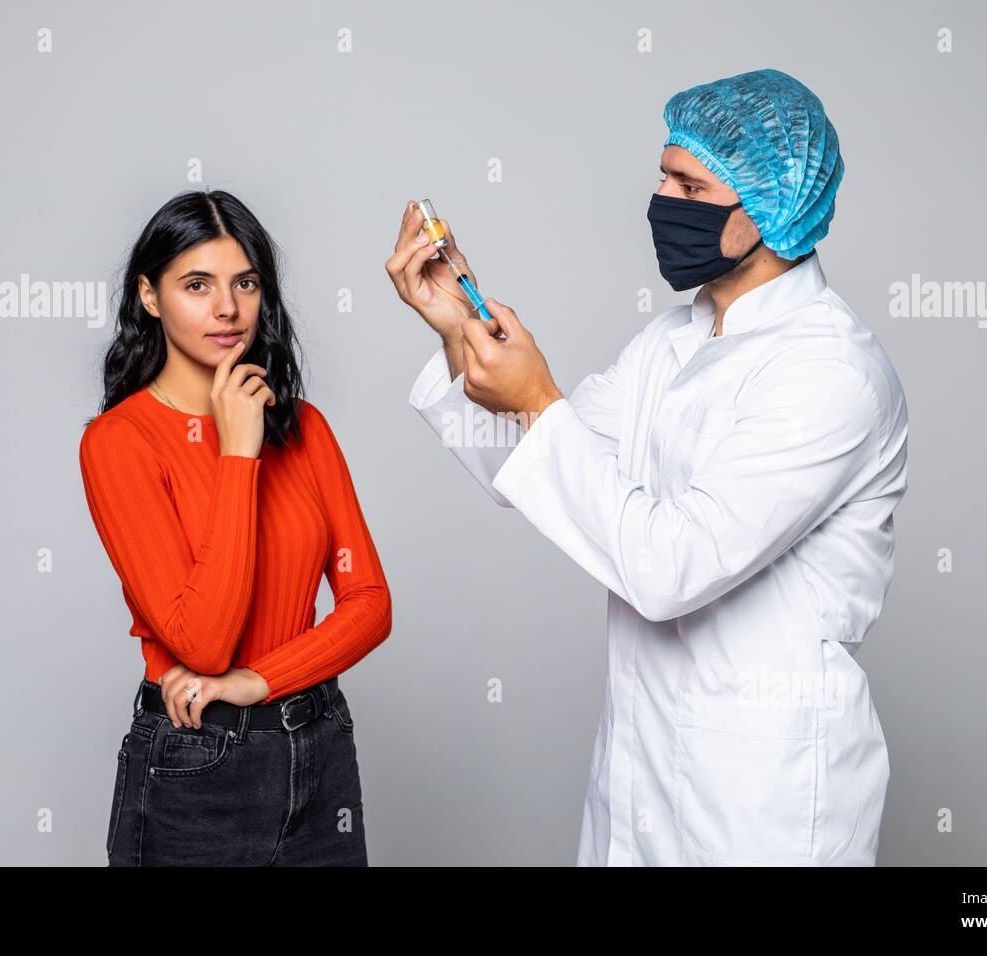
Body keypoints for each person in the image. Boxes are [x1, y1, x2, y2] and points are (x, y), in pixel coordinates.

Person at [387, 68, 908, 865]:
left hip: (761, 796)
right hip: (642, 766)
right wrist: (459, 322)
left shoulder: (830, 372)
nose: (662, 201)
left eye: (690, 185)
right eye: (663, 176)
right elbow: (525, 467)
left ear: (772, 210)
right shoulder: (672, 341)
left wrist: (541, 397)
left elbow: (670, 569)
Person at [80, 189, 392, 866]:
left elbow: (370, 605)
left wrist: (261, 681)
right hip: (197, 767)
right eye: (197, 285)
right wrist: (237, 453)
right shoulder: (120, 442)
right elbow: (205, 641)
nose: (227, 308)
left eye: (244, 282)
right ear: (150, 296)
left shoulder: (304, 429)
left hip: (320, 745)